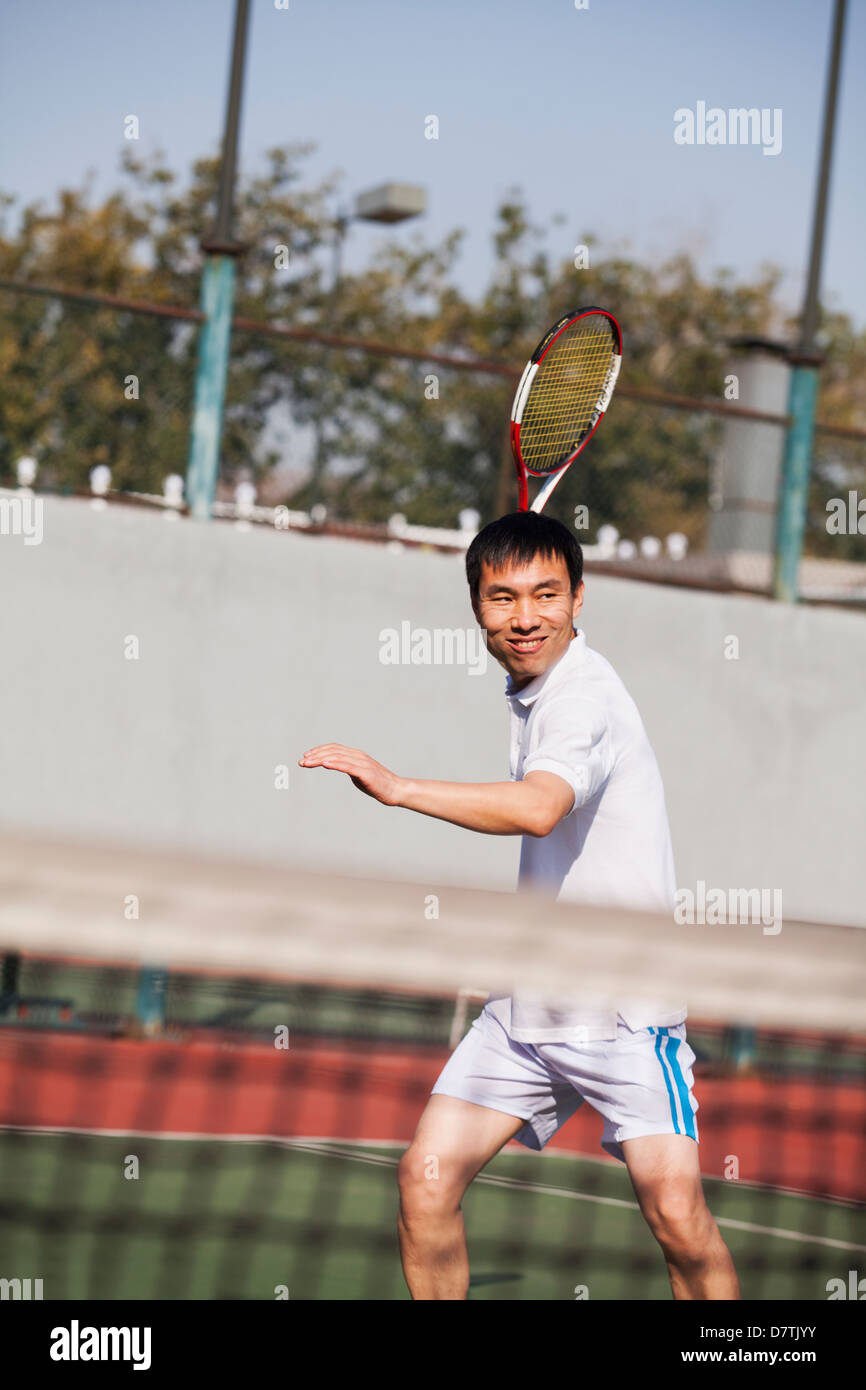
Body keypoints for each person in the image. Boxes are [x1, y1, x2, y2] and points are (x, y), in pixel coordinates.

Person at [299, 510, 739, 1301]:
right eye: (503, 598)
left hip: (626, 1013)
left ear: (579, 599)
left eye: (546, 595)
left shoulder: (583, 704)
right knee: (425, 1182)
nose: (526, 617)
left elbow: (539, 807)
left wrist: (399, 789)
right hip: (530, 1008)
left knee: (678, 1217)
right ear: (477, 607)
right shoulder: (536, 691)